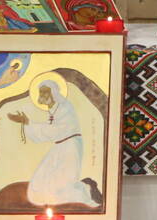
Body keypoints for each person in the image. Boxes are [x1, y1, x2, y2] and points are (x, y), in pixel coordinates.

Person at [7, 79, 100, 208]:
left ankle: (87, 189)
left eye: (45, 92)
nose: (42, 96)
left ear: (54, 93)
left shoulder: (65, 107)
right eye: (41, 92)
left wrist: (28, 122)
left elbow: (57, 130)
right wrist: (26, 122)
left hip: (70, 148)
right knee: (38, 182)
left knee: (60, 187)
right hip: (60, 146)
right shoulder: (54, 109)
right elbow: (49, 132)